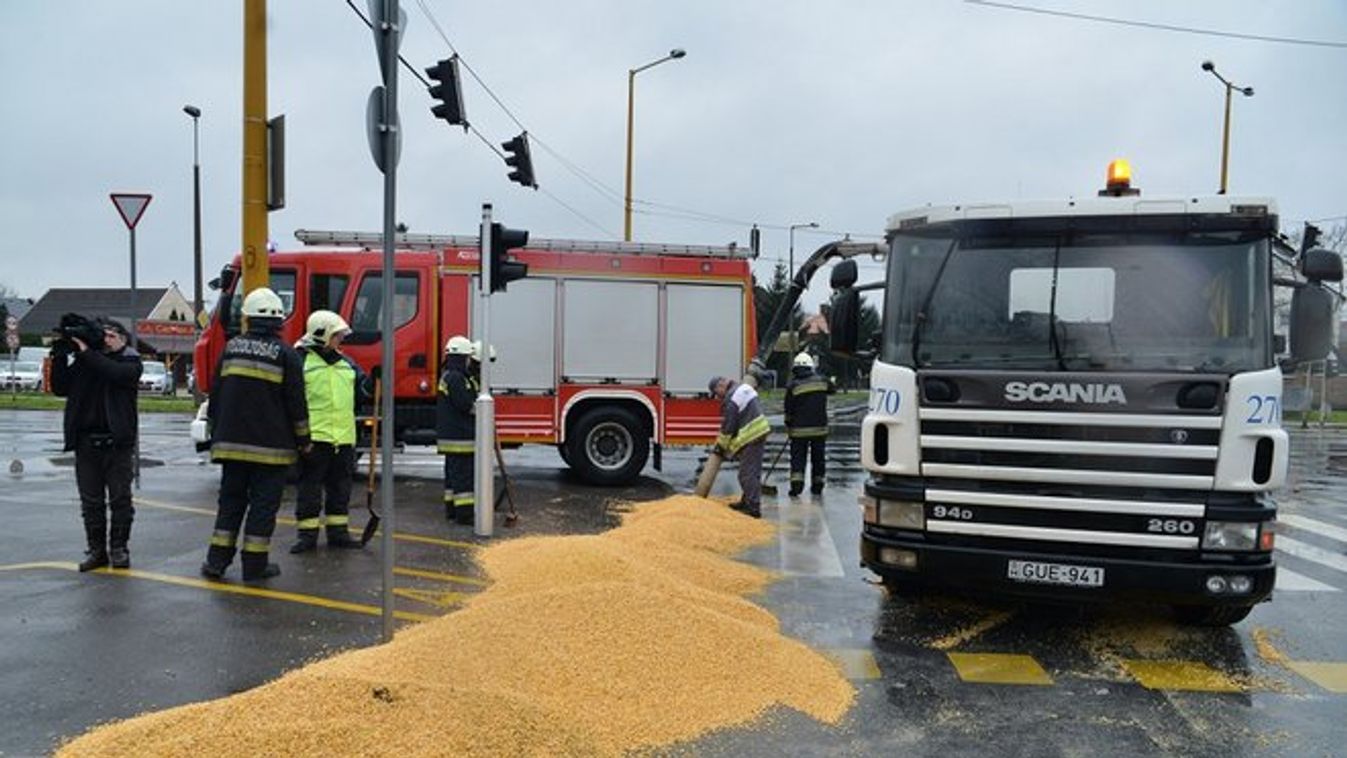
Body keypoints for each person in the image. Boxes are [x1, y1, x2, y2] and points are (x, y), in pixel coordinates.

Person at [201, 287, 310, 582]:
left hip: (231, 445)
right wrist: (304, 442)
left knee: (230, 504)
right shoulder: (286, 355)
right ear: (279, 321)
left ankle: (216, 563)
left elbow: (217, 393)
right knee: (263, 508)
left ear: (247, 318)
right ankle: (254, 566)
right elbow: (295, 404)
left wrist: (215, 432)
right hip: (271, 450)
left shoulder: (231, 347)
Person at [49, 316, 143, 571]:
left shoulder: (130, 361)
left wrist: (87, 352)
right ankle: (97, 550)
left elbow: (114, 373)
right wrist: (59, 356)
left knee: (120, 499)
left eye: (112, 335)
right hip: (86, 442)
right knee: (91, 501)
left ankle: (119, 549)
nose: (107, 339)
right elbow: (60, 388)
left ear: (124, 340)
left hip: (117, 442)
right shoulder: (87, 361)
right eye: (104, 335)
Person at [290, 310, 371, 554]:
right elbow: (293, 401)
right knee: (310, 490)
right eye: (336, 335)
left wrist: (372, 384)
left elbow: (361, 393)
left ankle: (338, 534)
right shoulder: (300, 361)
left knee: (340, 489)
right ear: (322, 335)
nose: (340, 340)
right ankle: (307, 536)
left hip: (343, 439)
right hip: (315, 440)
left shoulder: (347, 363)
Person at [708, 374, 770, 518]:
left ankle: (753, 508)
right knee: (751, 471)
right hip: (758, 431)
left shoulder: (732, 399)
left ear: (720, 386)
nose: (718, 398)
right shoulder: (743, 388)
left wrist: (720, 447)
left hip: (752, 435)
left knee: (746, 473)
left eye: (717, 394)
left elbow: (728, 427)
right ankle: (747, 500)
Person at [436, 335, 477, 525]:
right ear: (462, 357)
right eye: (468, 357)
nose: (470, 361)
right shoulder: (456, 378)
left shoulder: (448, 375)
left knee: (453, 477)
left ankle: (452, 510)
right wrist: (482, 409)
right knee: (463, 477)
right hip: (460, 437)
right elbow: (464, 404)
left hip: (452, 436)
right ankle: (465, 514)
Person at [784, 352, 833, 496]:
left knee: (798, 459)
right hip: (819, 429)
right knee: (818, 458)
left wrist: (789, 423)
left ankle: (797, 487)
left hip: (798, 431)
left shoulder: (792, 385)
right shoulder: (822, 381)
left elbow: (788, 410)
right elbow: (832, 389)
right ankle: (818, 486)